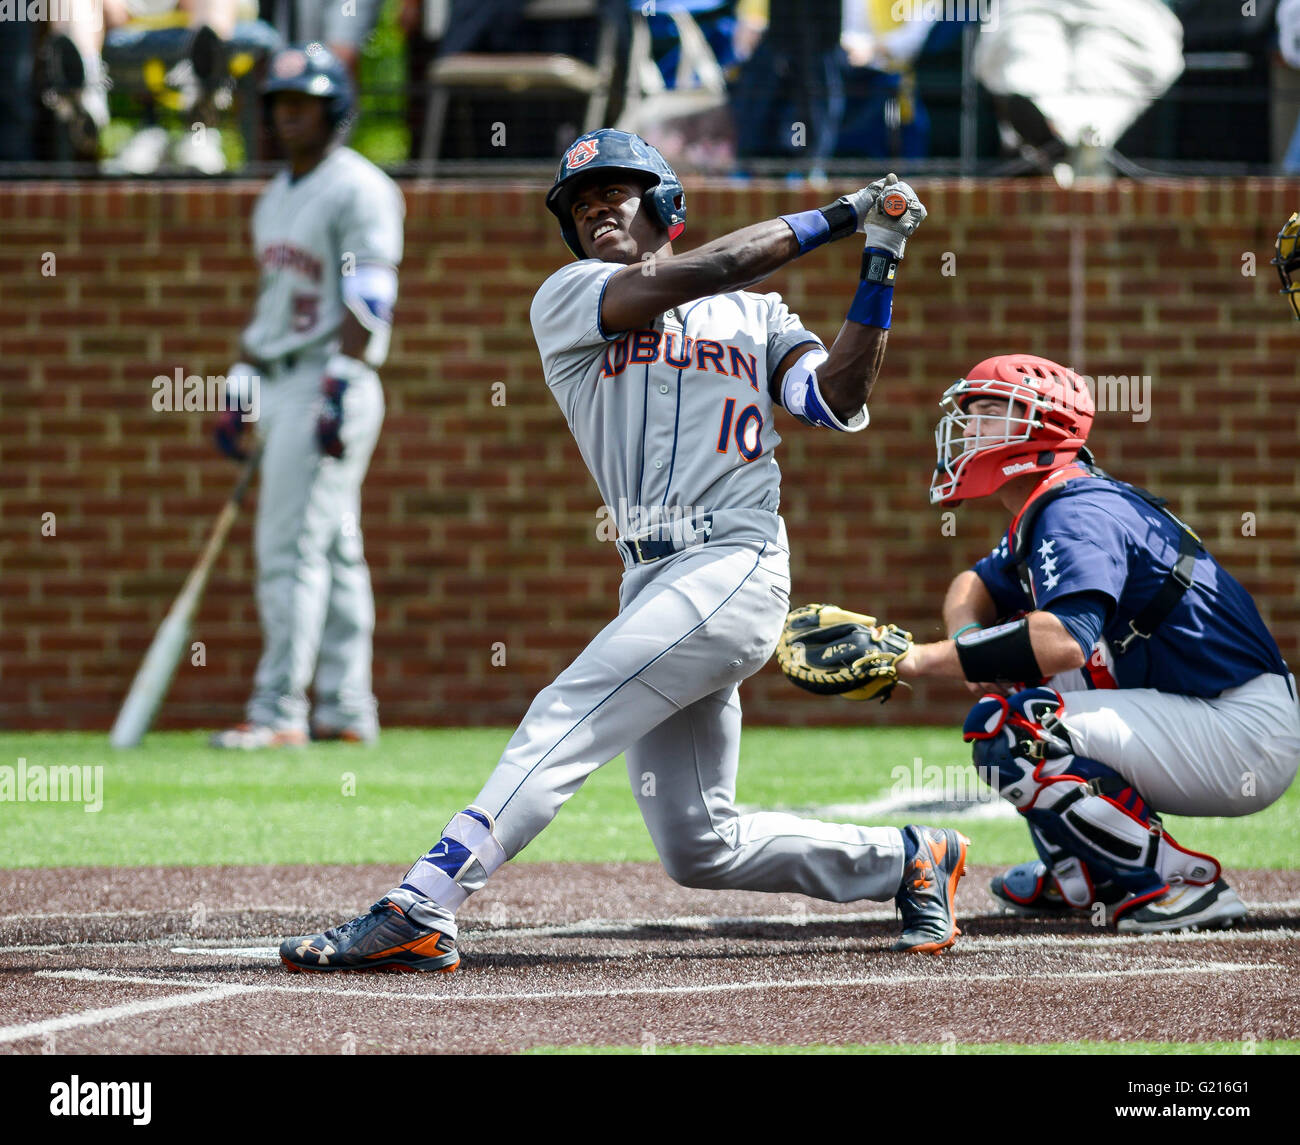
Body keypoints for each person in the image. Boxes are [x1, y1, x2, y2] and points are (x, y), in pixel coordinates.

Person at [278, 128, 974, 974]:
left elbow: (832, 399)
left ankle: (424, 900)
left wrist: (882, 258)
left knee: (564, 713)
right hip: (650, 574)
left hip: (734, 563)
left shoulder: (758, 316)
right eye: (581, 201)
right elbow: (703, 270)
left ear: (668, 203)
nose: (598, 206)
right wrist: (842, 214)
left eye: (618, 190)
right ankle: (909, 858)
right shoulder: (570, 296)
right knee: (700, 844)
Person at [894, 353, 1300, 932]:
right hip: (1211, 711)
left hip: (1242, 729)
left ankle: (1182, 882)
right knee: (1011, 691)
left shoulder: (1076, 512)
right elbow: (973, 586)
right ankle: (1087, 876)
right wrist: (967, 638)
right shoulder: (1058, 504)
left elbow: (1061, 642)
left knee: (1016, 726)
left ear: (1041, 429)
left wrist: (915, 660)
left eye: (988, 411)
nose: (967, 428)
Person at [209, 43, 403, 748]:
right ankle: (347, 709)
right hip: (284, 372)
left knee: (289, 547)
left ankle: (277, 711)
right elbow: (273, 302)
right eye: (281, 106)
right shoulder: (275, 196)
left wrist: (339, 385)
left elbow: (371, 294)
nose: (290, 119)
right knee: (335, 547)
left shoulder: (360, 187)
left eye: (305, 106)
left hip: (331, 376)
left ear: (335, 111)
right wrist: (241, 383)